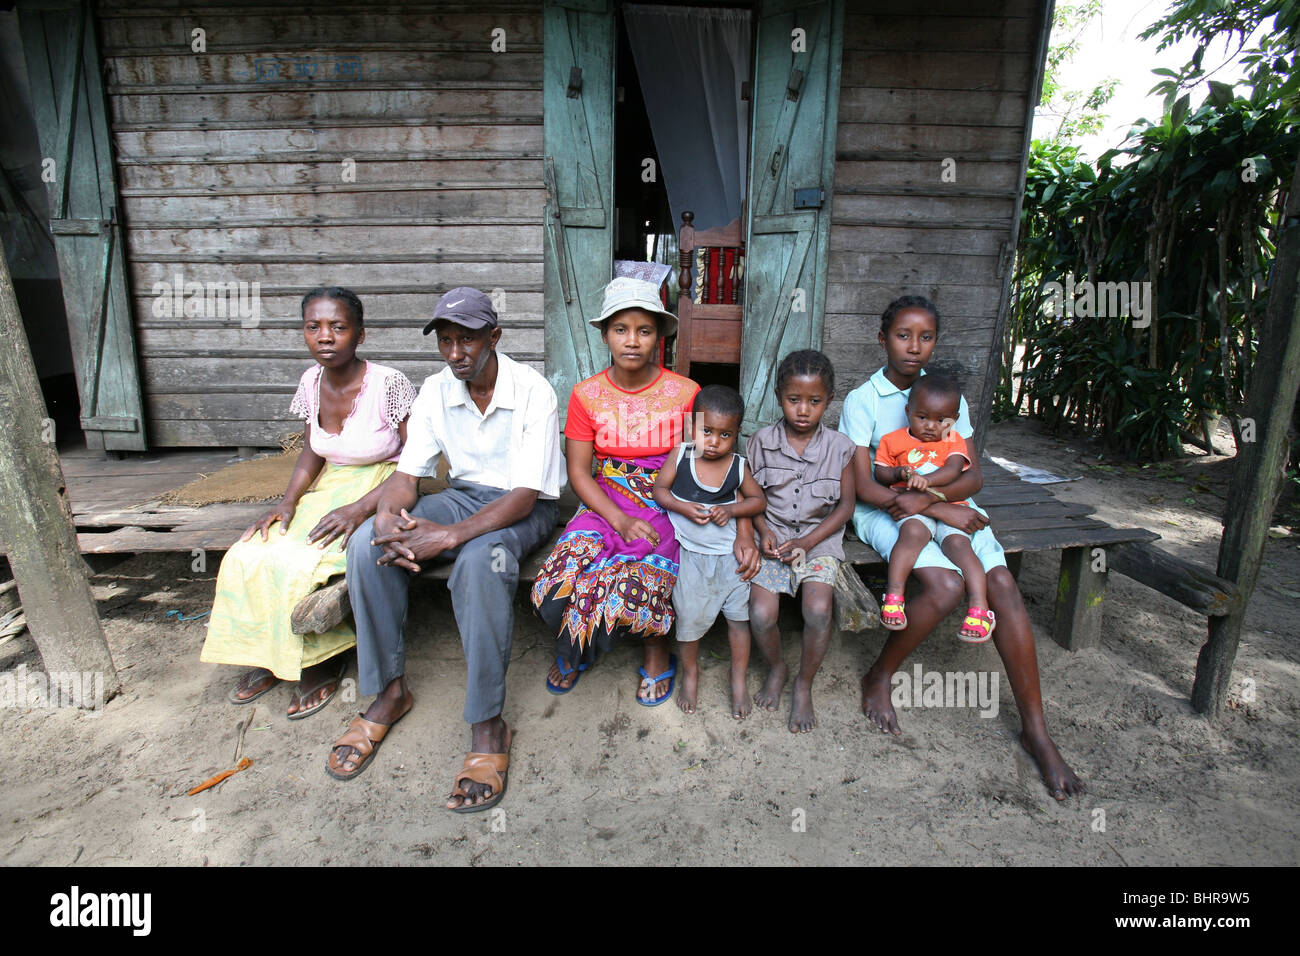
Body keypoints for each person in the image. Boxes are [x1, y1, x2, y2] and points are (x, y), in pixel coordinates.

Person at [838, 294, 1085, 800]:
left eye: (925, 337)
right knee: (948, 585)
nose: (914, 347)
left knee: (1002, 586)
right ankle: (879, 675)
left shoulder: (951, 398)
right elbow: (864, 487)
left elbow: (971, 480)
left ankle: (1037, 732)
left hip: (938, 506)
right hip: (886, 511)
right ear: (882, 338)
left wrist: (940, 504)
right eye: (903, 336)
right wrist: (938, 508)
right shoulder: (863, 400)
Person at [326, 287, 562, 814]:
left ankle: (488, 724)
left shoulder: (533, 391)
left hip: (522, 507)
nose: (456, 353)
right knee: (368, 544)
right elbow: (408, 476)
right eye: (447, 341)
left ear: (494, 337)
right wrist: (387, 515)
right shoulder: (435, 391)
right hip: (461, 497)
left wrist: (449, 537)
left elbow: (525, 496)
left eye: (468, 340)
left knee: (481, 561)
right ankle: (389, 691)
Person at [200, 287, 416, 719]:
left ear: (360, 334)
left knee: (301, 561)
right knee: (248, 553)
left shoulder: (389, 383)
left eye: (338, 327)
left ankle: (317, 662)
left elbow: (416, 462)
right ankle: (268, 655)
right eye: (313, 327)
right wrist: (288, 502)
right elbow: (312, 450)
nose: (325, 337)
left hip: (382, 484)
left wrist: (361, 509)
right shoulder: (310, 381)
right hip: (330, 484)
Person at [531, 277, 699, 705]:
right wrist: (619, 519)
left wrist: (672, 509)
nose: (632, 341)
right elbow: (580, 472)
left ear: (658, 337)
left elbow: (698, 465)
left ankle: (656, 650)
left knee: (636, 580)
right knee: (556, 588)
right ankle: (575, 641)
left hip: (665, 499)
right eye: (621, 330)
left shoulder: (686, 394)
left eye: (644, 331)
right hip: (604, 501)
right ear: (605, 334)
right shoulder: (586, 395)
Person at [747, 350, 857, 733]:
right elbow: (752, 499)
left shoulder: (841, 447)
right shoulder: (761, 441)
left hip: (819, 541)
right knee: (761, 615)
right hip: (775, 540)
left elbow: (845, 507)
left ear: (829, 399)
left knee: (817, 610)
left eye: (815, 401)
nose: (804, 410)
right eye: (794, 400)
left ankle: (804, 683)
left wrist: (808, 542)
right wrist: (764, 531)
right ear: (779, 396)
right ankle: (777, 668)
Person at [651, 385, 765, 717]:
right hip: (690, 558)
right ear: (692, 426)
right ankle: (690, 672)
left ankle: (739, 679)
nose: (714, 441)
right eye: (707, 431)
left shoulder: (738, 466)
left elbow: (758, 501)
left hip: (731, 558)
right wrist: (683, 508)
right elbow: (660, 490)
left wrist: (731, 511)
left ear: (737, 434)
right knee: (688, 621)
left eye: (725, 434)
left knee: (739, 620)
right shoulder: (682, 455)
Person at [872, 373, 995, 642]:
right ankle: (894, 596)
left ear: (954, 420)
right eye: (922, 417)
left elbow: (953, 470)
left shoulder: (954, 441)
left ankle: (979, 608)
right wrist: (899, 474)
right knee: (911, 535)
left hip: (950, 504)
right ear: (908, 411)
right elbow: (880, 473)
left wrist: (925, 481)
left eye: (941, 420)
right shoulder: (892, 440)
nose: (930, 426)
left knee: (960, 548)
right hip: (913, 509)